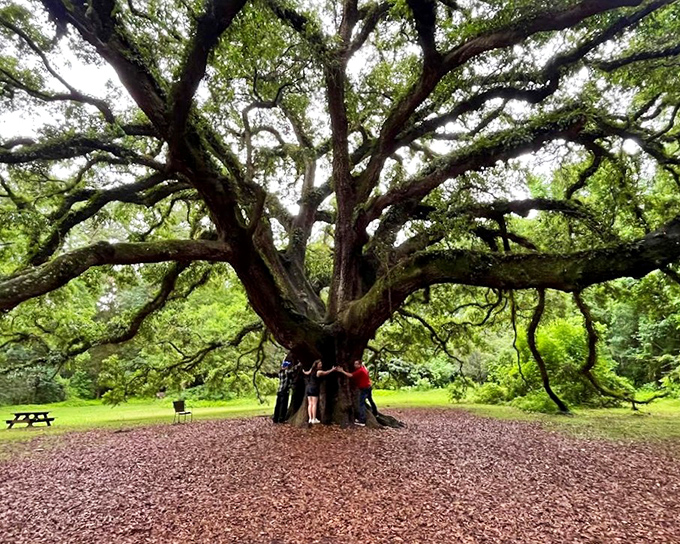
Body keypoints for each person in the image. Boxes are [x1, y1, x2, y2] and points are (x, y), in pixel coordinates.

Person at [337, 360, 377, 426]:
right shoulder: (364, 368)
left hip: (365, 388)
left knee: (361, 403)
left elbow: (350, 375)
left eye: (356, 364)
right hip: (368, 387)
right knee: (370, 400)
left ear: (359, 364)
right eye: (354, 364)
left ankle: (362, 420)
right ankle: (375, 413)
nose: (354, 365)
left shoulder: (360, 371)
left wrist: (342, 371)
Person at [302, 360, 337, 424]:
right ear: (316, 365)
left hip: (309, 388)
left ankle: (310, 418)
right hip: (314, 388)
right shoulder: (319, 372)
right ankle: (313, 418)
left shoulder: (312, 370)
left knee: (310, 404)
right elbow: (326, 372)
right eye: (320, 364)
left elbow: (307, 373)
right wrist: (332, 369)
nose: (321, 365)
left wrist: (303, 371)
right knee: (314, 404)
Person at [273, 354, 298, 423]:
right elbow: (293, 370)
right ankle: (281, 419)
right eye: (287, 365)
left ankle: (275, 418)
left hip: (279, 390)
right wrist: (298, 365)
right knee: (283, 406)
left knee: (278, 405)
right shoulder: (286, 372)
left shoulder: (280, 373)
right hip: (284, 391)